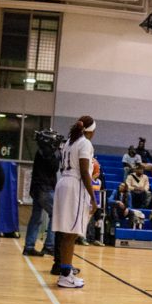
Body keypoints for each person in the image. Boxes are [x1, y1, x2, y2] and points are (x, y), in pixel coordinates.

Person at [51, 116, 97, 289]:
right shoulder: (85, 143)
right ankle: (65, 276)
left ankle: (65, 272)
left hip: (63, 182)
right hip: (74, 186)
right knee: (71, 233)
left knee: (65, 233)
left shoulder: (69, 141)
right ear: (91, 130)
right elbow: (85, 172)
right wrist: (93, 197)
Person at [23, 131, 61, 257]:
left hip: (37, 188)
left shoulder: (41, 151)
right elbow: (54, 167)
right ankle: (49, 245)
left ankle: (29, 246)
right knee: (56, 215)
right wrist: (58, 153)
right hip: (44, 188)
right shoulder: (47, 152)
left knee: (36, 217)